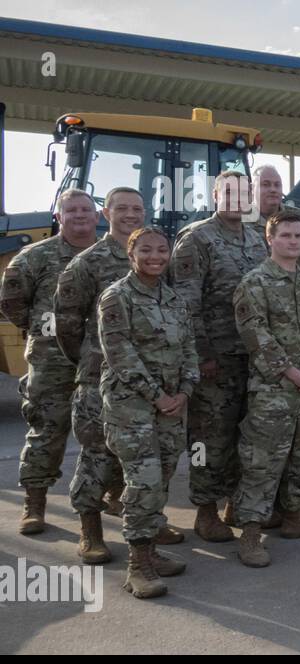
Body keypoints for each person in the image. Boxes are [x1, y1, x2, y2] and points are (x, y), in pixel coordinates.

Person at [56, 187, 187, 548]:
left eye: (137, 208)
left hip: (159, 381)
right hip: (103, 378)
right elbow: (66, 326)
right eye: (122, 208)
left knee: (156, 460)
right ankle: (91, 530)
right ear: (106, 214)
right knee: (98, 457)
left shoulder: (158, 255)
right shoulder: (86, 263)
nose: (131, 215)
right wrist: (89, 363)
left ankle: (151, 521)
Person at [231, 212, 300, 567]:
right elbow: (256, 336)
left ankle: (298, 517)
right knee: (262, 462)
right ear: (270, 239)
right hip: (274, 390)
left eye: (298, 236)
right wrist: (292, 373)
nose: (293, 241)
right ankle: (250, 533)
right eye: (286, 236)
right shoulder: (254, 283)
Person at [97, 226, 197, 598]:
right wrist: (157, 396)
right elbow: (120, 355)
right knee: (144, 481)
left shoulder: (173, 299)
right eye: (147, 251)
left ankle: (152, 551)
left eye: (162, 250)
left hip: (172, 403)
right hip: (132, 406)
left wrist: (184, 391)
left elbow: (189, 348)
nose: (155, 257)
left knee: (164, 475)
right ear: (131, 254)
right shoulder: (116, 298)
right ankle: (138, 565)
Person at [169, 170, 268, 542]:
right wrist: (201, 353)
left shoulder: (257, 240)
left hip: (251, 356)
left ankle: (233, 503)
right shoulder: (197, 238)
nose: (236, 198)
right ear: (215, 195)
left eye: (243, 193)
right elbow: (185, 301)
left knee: (243, 433)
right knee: (206, 438)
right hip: (214, 358)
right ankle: (204, 509)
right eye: (229, 192)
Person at [2, 189, 97, 537]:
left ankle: (113, 496)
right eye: (71, 210)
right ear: (58, 217)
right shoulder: (35, 257)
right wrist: (41, 330)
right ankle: (35, 504)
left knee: (107, 432)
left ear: (97, 216)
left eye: (86, 209)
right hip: (51, 360)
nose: (79, 215)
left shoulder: (111, 255)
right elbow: (11, 301)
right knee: (47, 430)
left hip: (99, 359)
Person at [250, 164, 300, 238]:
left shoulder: (299, 217)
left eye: (277, 185)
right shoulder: (241, 219)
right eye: (266, 184)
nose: (273, 190)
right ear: (252, 188)